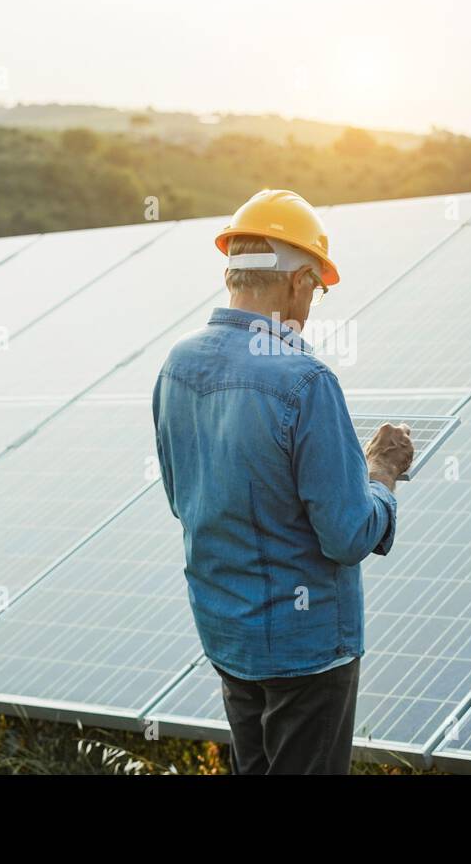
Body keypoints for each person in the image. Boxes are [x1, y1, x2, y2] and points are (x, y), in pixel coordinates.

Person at [152, 188, 414, 774]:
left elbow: (182, 498)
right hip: (307, 652)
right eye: (318, 288)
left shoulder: (177, 364)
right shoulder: (304, 380)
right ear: (298, 282)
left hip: (228, 635)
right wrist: (381, 473)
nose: (314, 301)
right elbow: (348, 536)